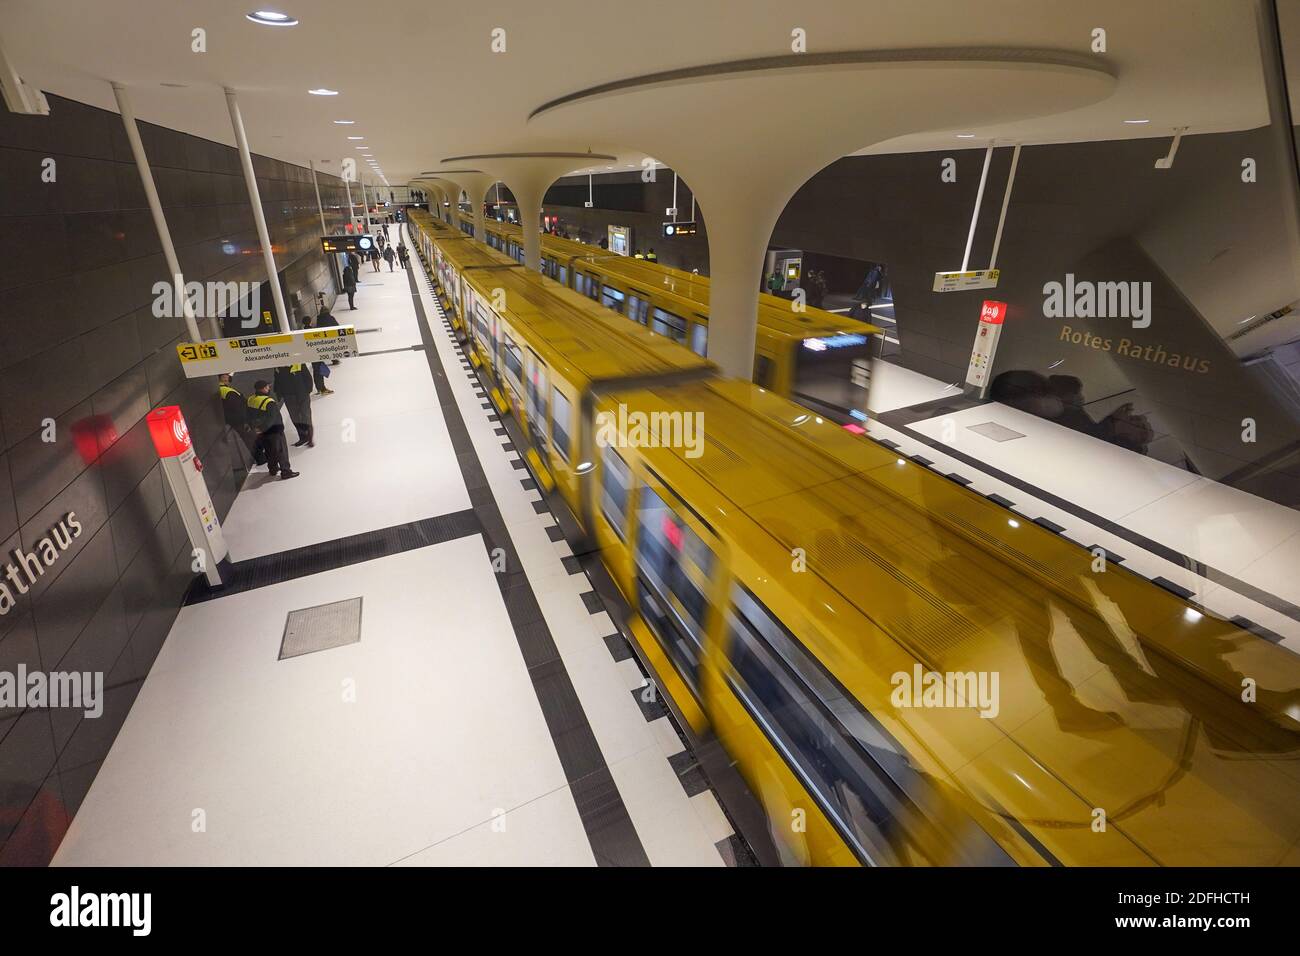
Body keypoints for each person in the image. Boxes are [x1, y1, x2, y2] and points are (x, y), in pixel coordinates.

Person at [246, 380, 298, 480]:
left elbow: (248, 415)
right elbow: (272, 418)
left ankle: (273, 469)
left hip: (262, 432)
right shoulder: (269, 402)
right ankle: (286, 471)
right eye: (267, 387)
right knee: (281, 451)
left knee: (269, 450)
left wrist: (257, 428)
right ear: (263, 389)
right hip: (274, 431)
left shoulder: (250, 399)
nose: (268, 388)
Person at [217, 372, 261, 462]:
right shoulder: (227, 391)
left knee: (249, 439)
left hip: (234, 420)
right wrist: (246, 420)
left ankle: (260, 457)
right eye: (227, 375)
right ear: (223, 377)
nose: (229, 377)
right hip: (240, 421)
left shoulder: (222, 390)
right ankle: (261, 458)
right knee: (251, 438)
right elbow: (239, 407)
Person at [274, 363, 315, 447]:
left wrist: (308, 391)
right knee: (295, 417)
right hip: (288, 396)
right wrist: (279, 394)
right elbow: (277, 381)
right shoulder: (278, 367)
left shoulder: (299, 364)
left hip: (302, 395)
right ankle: (303, 438)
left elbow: (308, 377)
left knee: (306, 416)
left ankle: (310, 438)